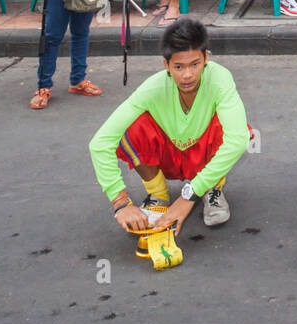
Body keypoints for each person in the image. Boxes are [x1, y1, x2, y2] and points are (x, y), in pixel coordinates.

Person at [89, 17, 252, 232]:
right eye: (178, 66)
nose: (187, 75)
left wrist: (189, 195)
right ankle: (158, 195)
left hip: (203, 155)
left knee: (234, 129)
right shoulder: (152, 88)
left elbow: (238, 140)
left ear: (205, 59)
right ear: (166, 65)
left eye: (195, 64)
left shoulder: (220, 79)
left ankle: (211, 188)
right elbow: (100, 143)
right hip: (169, 155)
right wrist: (121, 203)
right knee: (131, 129)